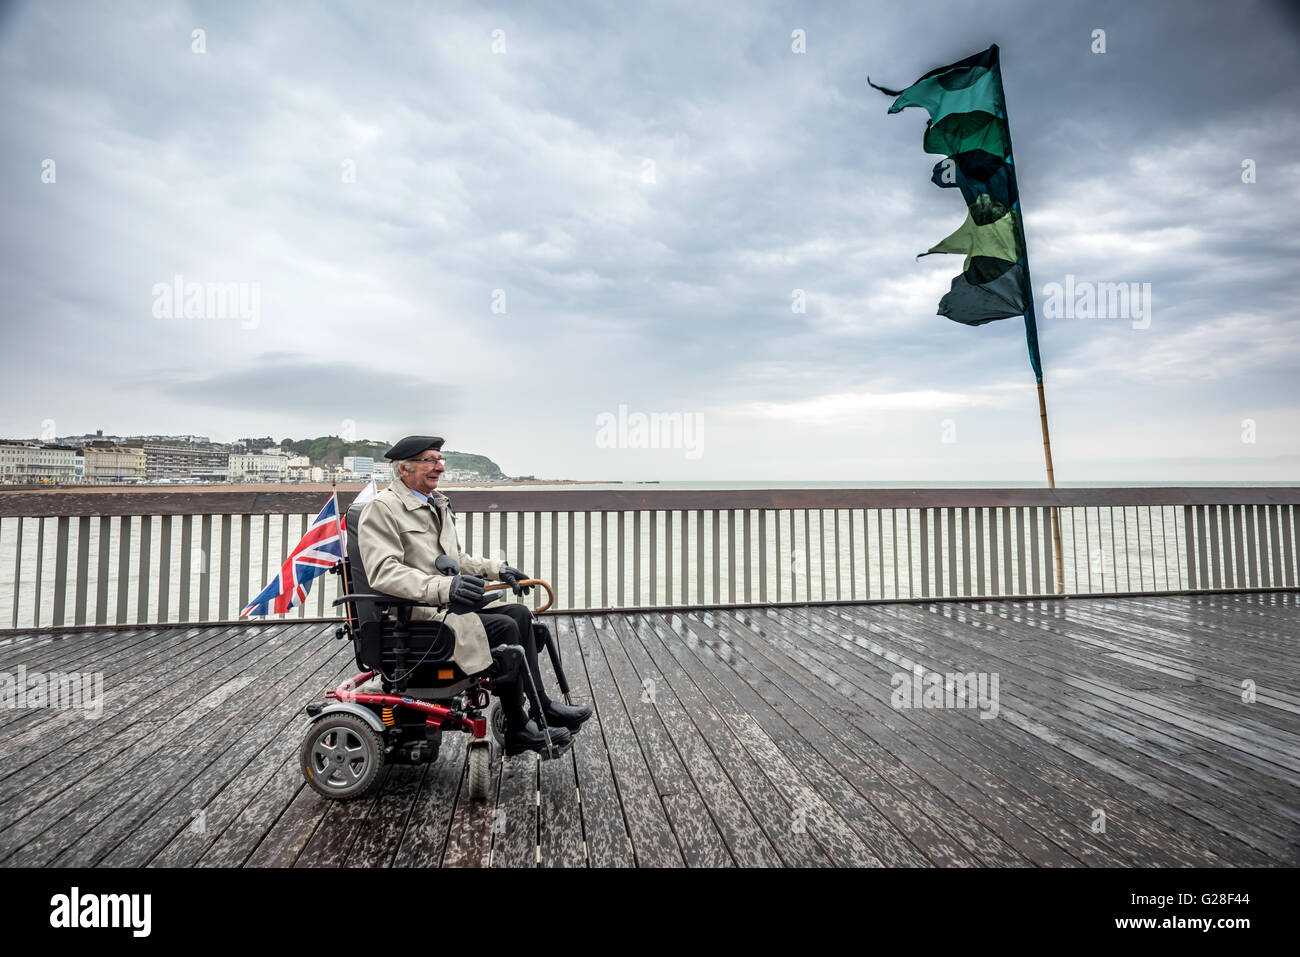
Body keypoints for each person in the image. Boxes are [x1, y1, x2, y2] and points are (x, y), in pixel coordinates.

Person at [356, 434, 592, 755]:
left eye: (440, 460)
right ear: (404, 469)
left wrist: (498, 569)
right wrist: (445, 587)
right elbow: (384, 573)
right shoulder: (382, 509)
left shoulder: (435, 503)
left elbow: (458, 560)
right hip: (418, 617)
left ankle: (542, 708)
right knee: (506, 630)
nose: (439, 466)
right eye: (429, 460)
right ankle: (519, 727)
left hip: (449, 610)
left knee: (520, 616)